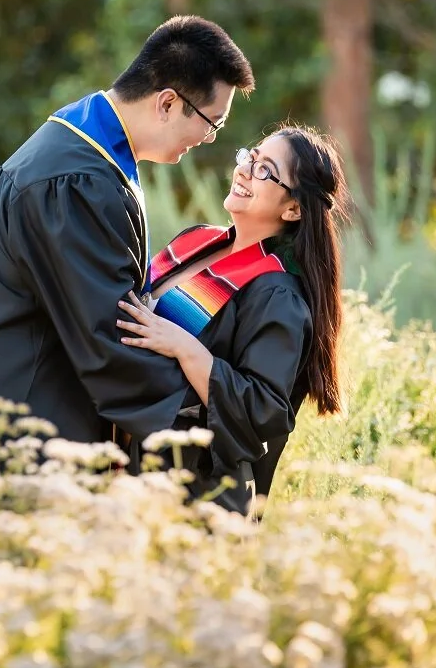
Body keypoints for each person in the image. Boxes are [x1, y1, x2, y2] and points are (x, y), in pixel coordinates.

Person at [0, 15, 255, 444]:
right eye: (212, 122)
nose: (209, 138)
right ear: (167, 103)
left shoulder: (77, 151)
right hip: (0, 433)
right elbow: (110, 343)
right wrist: (224, 415)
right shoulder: (75, 183)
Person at [116, 125, 350, 515]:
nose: (244, 171)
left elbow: (263, 409)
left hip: (193, 492)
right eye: (250, 158)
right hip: (129, 460)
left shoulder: (276, 294)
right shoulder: (194, 242)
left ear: (293, 209)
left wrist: (186, 349)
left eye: (265, 170)